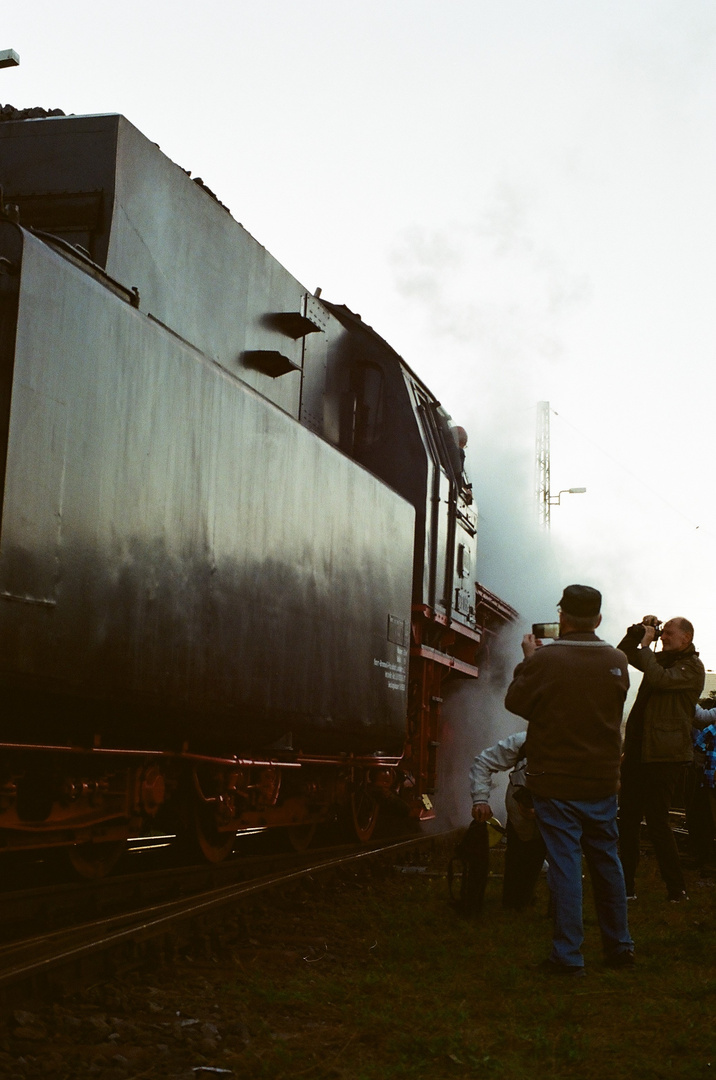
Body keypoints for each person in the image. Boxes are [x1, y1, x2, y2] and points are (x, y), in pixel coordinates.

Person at [504, 585, 633, 975]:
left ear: (561, 616)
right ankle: (620, 947)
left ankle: (568, 955)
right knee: (607, 862)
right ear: (597, 619)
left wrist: (528, 661)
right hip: (601, 780)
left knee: (564, 865)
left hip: (555, 780)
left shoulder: (546, 660)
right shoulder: (618, 659)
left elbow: (515, 703)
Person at [618, 616, 705, 902]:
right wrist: (639, 630)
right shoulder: (662, 659)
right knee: (628, 820)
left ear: (686, 639)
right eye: (663, 632)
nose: (663, 637)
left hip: (664, 755)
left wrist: (646, 645)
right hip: (639, 751)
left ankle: (676, 888)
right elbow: (623, 652)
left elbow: (657, 678)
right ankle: (626, 887)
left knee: (657, 822)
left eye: (669, 633)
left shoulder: (692, 668)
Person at [469, 731, 546, 910]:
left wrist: (542, 810)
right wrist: (480, 800)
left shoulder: (573, 747)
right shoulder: (523, 742)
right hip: (520, 822)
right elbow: (483, 762)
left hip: (554, 822)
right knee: (514, 898)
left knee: (558, 869)